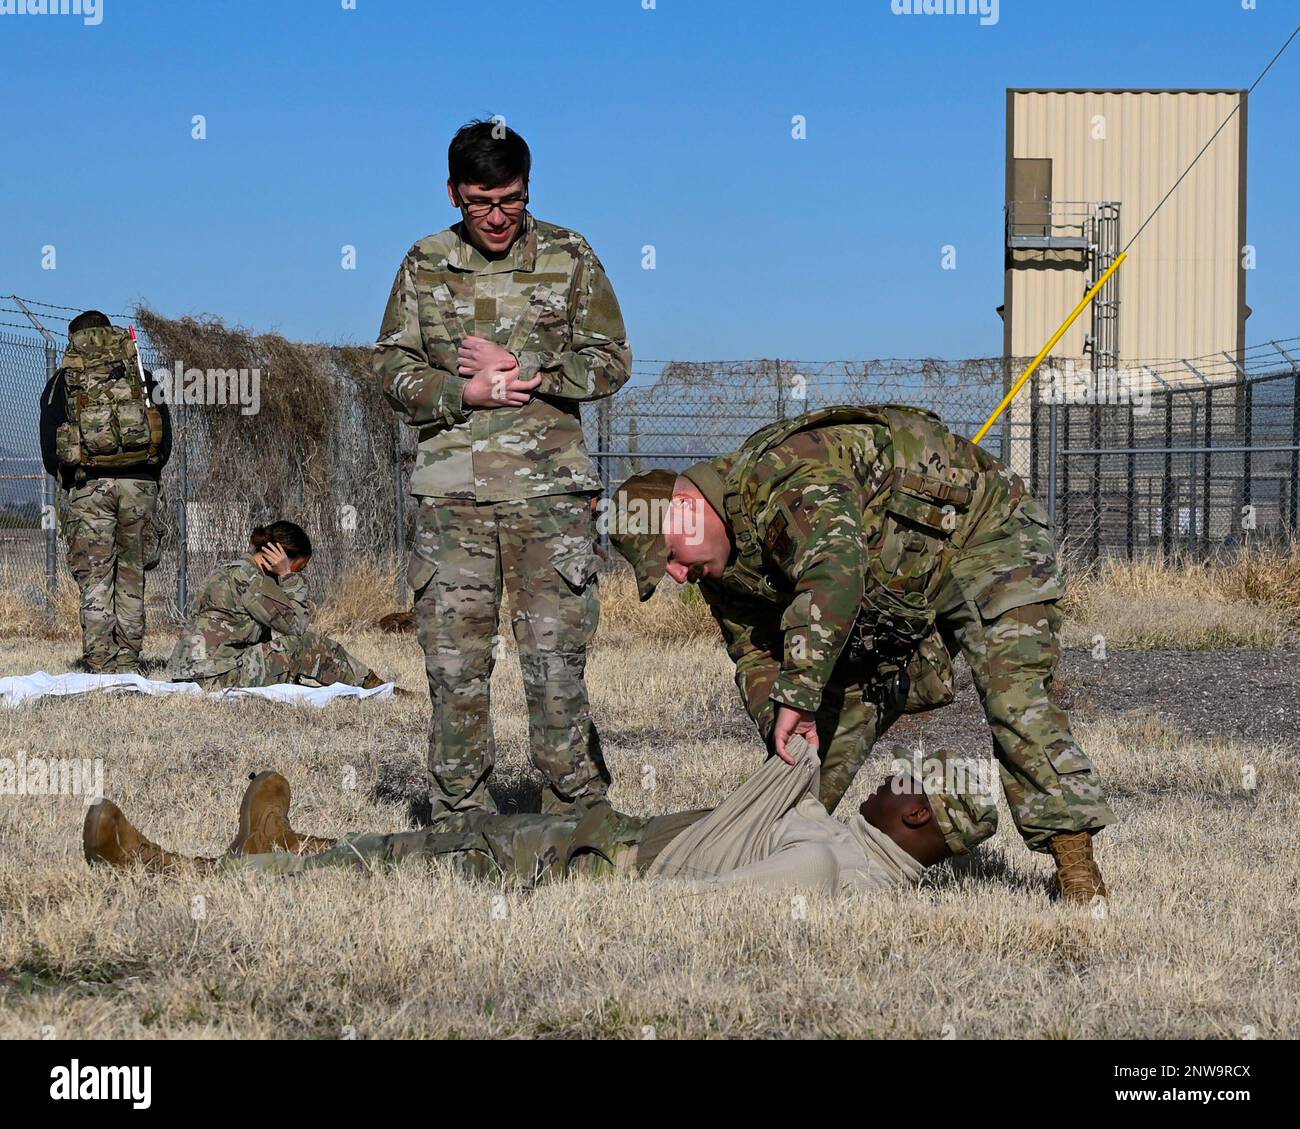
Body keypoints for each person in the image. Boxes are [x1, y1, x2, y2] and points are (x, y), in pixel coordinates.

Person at [606, 404, 1116, 903]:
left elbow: (834, 570)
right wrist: (786, 725)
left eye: (670, 556)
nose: (677, 576)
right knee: (799, 764)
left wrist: (799, 693)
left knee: (1014, 695)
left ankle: (1076, 868)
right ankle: (775, 865)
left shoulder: (781, 478)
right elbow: (757, 656)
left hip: (987, 536)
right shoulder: (722, 573)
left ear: (686, 509)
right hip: (896, 584)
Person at [371, 119, 631, 817]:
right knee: (455, 667)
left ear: (528, 190)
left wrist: (533, 372)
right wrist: (463, 392)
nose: (495, 216)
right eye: (480, 200)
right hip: (451, 501)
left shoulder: (569, 255)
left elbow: (612, 359)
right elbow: (389, 366)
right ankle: (460, 815)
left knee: (556, 664)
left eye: (511, 200)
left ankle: (575, 808)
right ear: (452, 192)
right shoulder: (425, 263)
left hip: (551, 499)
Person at [81, 741, 999, 897]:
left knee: (452, 854)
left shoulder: (833, 854)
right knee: (440, 843)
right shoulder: (865, 851)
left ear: (912, 809)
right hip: (613, 840)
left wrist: (597, 894)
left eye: (895, 781)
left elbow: (768, 890)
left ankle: (190, 873)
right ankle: (288, 849)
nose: (879, 781)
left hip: (601, 860)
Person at [39, 310, 172, 674]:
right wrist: (143, 472)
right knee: (132, 575)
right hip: (140, 486)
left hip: (88, 487)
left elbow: (50, 450)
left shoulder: (62, 383)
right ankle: (129, 661)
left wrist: (73, 480)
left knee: (96, 577)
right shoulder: (141, 375)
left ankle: (100, 665)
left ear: (75, 339)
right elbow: (165, 439)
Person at [167, 520, 399, 691]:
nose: (300, 572)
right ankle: (374, 687)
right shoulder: (252, 580)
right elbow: (296, 627)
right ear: (281, 557)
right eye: (300, 566)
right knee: (307, 644)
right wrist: (288, 576)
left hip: (191, 671)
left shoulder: (230, 570)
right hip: (215, 677)